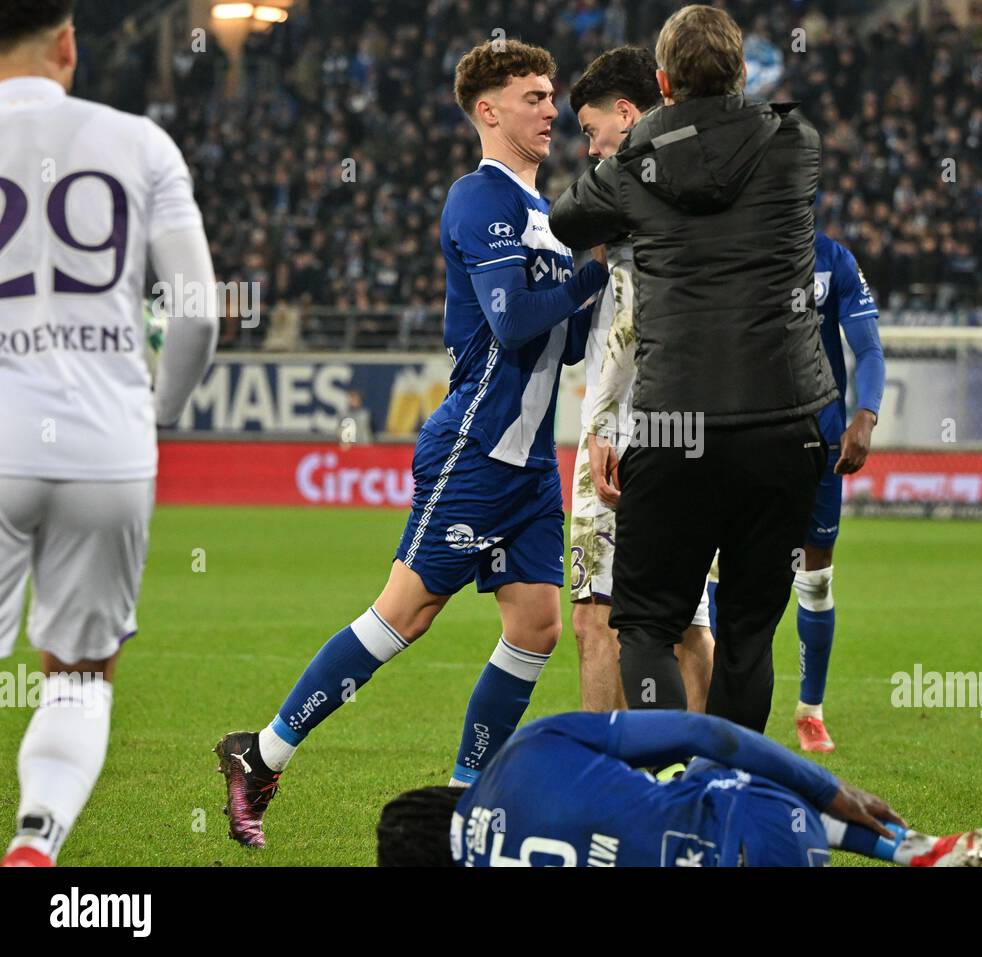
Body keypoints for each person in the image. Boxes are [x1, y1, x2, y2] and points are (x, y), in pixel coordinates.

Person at [213, 39, 607, 848]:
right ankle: (261, 750)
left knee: (535, 625)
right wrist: (592, 275)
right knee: (406, 612)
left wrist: (594, 290)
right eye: (533, 96)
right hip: (474, 443)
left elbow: (562, 346)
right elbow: (511, 319)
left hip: (531, 458)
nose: (550, 109)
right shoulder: (479, 197)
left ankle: (466, 802)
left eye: (551, 95)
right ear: (488, 110)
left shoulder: (544, 212)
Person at [551, 4, 835, 733]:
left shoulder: (636, 159)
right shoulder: (795, 141)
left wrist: (639, 150)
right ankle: (731, 797)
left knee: (645, 624)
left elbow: (567, 220)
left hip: (677, 420)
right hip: (785, 420)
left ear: (663, 82)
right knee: (747, 632)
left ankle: (666, 782)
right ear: (741, 72)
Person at [0, 0, 218, 866]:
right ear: (66, 43)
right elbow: (197, 312)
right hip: (104, 445)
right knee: (79, 674)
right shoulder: (138, 142)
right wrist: (156, 409)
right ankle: (35, 841)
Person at [376, 709, 982, 867]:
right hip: (770, 830)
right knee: (699, 772)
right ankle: (911, 849)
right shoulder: (526, 748)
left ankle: (922, 852)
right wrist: (826, 786)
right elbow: (702, 730)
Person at [568, 45, 713, 712]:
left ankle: (608, 786)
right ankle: (708, 782)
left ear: (625, 113)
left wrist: (599, 422)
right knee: (687, 618)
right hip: (701, 416)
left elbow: (631, 323)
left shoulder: (630, 188)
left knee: (599, 618)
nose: (590, 149)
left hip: (627, 419)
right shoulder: (711, 172)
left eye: (592, 130)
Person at [700, 232, 884, 752]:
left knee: (816, 576)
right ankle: (724, 699)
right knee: (726, 567)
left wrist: (865, 414)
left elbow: (867, 345)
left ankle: (811, 709)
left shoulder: (833, 260)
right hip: (749, 437)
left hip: (821, 442)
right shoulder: (738, 248)